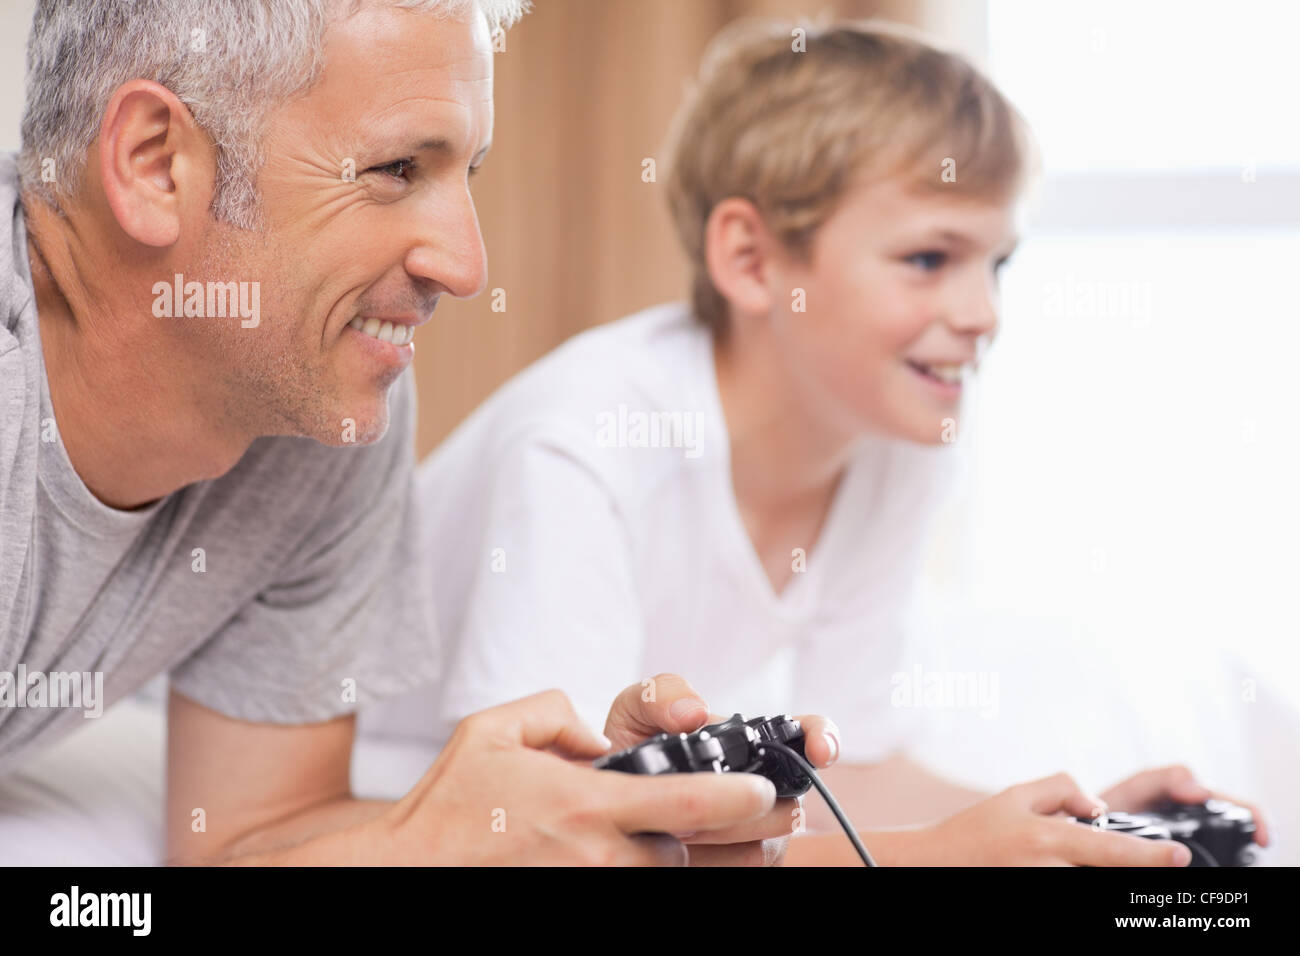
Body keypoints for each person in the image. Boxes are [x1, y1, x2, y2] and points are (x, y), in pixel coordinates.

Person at [361, 18, 1270, 865]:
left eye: (996, 263)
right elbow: (556, 828)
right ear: (753, 261)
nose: (983, 314)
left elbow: (851, 773)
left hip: (640, 826)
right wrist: (953, 856)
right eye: (929, 259)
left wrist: (1070, 824)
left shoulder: (900, 445)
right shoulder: (586, 444)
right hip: (402, 815)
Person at [0, 0, 829, 866]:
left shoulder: (317, 416)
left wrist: (516, 827)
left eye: (467, 173)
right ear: (155, 163)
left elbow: (243, 838)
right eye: (396, 169)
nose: (467, 268)